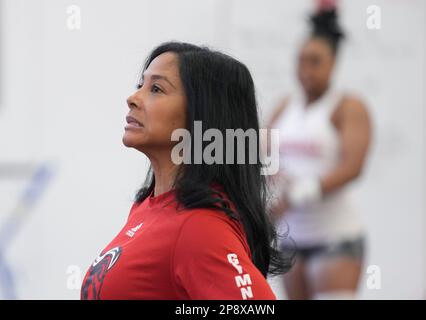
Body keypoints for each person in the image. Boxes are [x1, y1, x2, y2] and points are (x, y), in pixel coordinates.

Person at [80, 42, 290, 300]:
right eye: (140, 86)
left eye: (156, 89)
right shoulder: (149, 206)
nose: (133, 98)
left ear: (201, 114)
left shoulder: (199, 226)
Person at [267, 7, 372, 300]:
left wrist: (301, 192)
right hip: (292, 237)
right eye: (300, 61)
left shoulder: (348, 107)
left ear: (334, 64)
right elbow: (260, 155)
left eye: (315, 62)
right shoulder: (285, 106)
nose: (306, 70)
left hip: (335, 238)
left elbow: (353, 167)